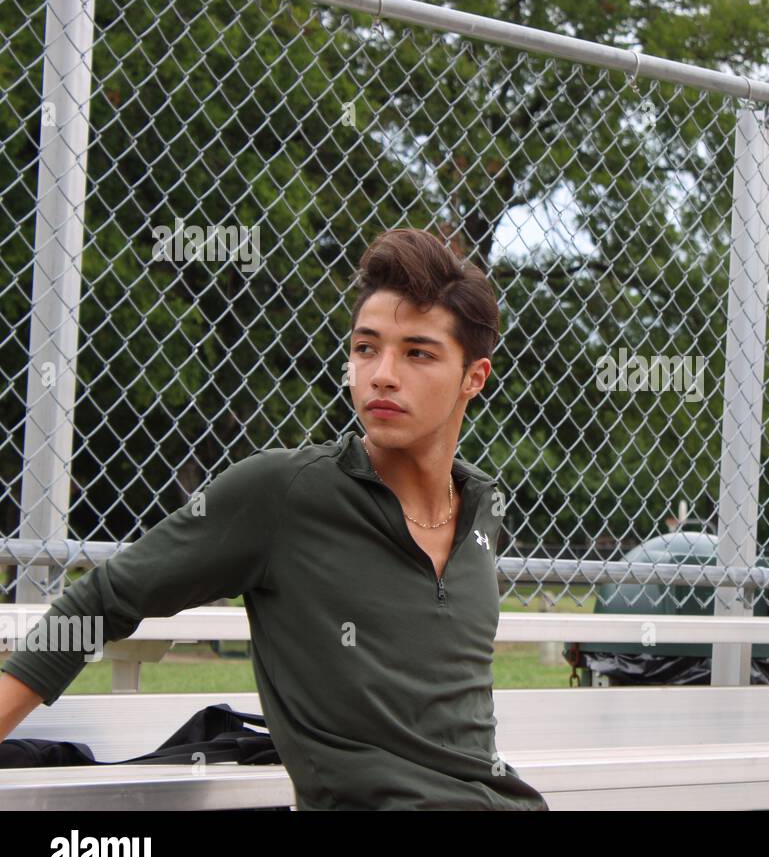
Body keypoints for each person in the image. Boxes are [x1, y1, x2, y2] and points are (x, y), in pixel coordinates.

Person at [0, 228, 548, 810]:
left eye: (418, 352)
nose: (383, 374)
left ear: (474, 377)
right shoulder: (284, 493)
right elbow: (100, 601)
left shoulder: (483, 508)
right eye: (366, 348)